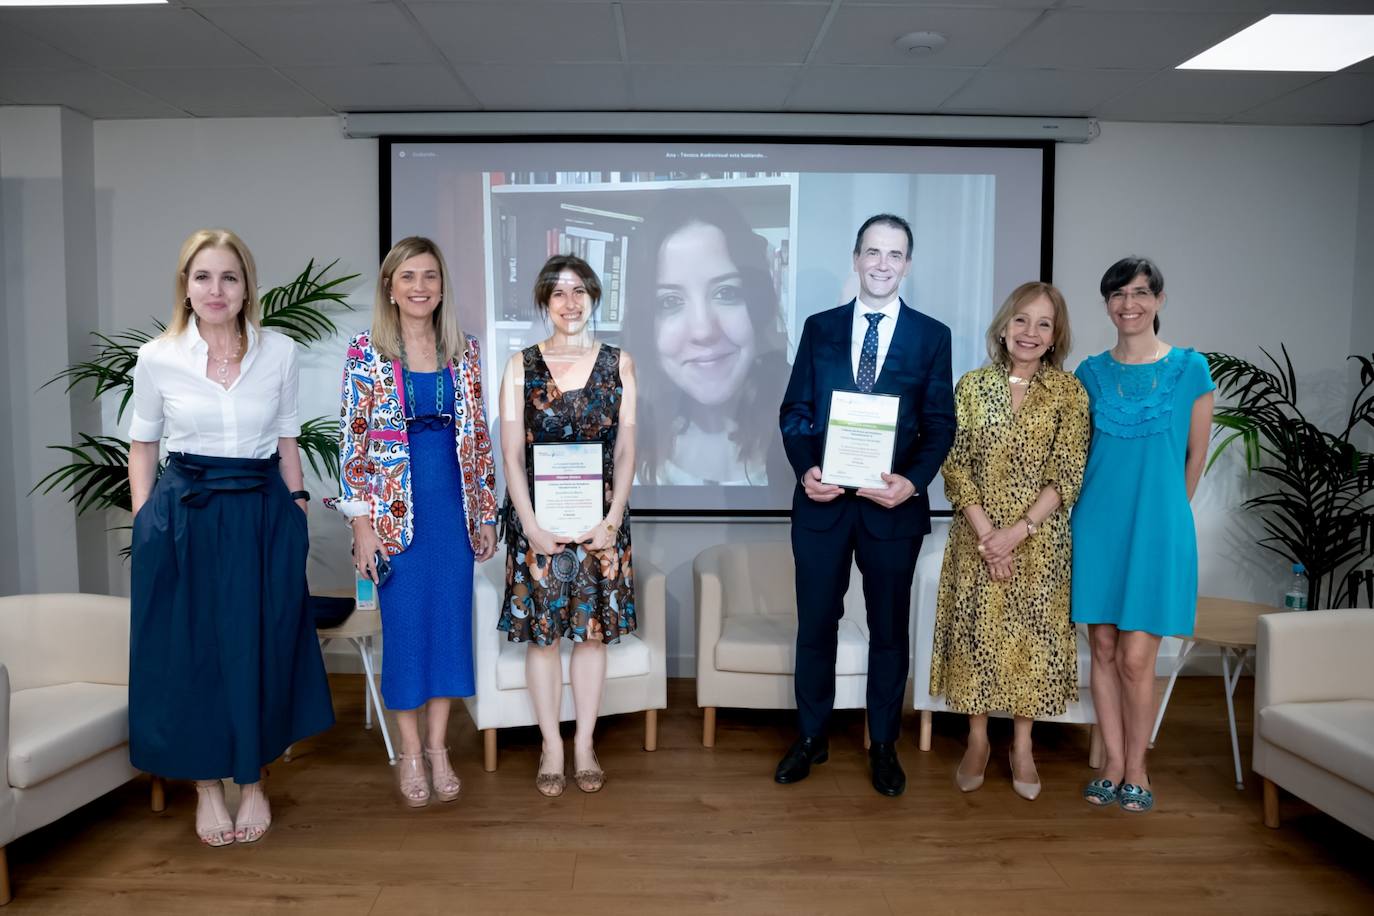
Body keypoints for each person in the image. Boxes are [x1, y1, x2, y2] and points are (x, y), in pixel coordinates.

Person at [127, 228, 334, 847]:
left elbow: (289, 438)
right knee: (192, 652)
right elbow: (143, 444)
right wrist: (145, 523)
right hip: (183, 513)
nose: (215, 290)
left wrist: (296, 510)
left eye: (228, 277)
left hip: (262, 511)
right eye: (202, 277)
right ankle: (208, 786)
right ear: (185, 288)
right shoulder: (157, 356)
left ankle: (254, 782)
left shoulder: (281, 352)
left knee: (260, 645)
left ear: (247, 287)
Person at [777, 214, 956, 796]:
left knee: (887, 630)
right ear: (856, 259)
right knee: (815, 626)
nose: (882, 264)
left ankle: (883, 744)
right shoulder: (819, 327)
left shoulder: (932, 336)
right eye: (872, 253)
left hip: (891, 509)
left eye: (895, 254)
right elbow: (794, 412)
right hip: (823, 504)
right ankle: (811, 737)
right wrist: (806, 467)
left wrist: (911, 481)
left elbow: (939, 425)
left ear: (908, 264)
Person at [330, 236, 499, 807]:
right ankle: (407, 754)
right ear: (390, 287)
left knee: (450, 630)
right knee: (404, 637)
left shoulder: (466, 350)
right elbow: (352, 444)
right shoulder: (365, 351)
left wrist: (486, 513)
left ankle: (439, 749)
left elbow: (478, 441)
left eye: (429, 276)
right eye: (408, 277)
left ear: (442, 285)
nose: (420, 287)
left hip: (453, 512)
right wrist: (360, 527)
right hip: (393, 519)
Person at [928, 282, 1089, 800]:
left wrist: (1017, 535)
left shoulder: (1069, 393)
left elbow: (1068, 473)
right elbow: (955, 467)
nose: (1030, 332)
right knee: (977, 637)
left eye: (1044, 324)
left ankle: (1022, 744)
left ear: (1055, 336)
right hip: (975, 536)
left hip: (1039, 542)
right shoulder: (972, 386)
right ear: (1003, 325)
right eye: (1022, 320)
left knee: (1031, 643)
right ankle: (977, 740)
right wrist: (988, 537)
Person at [1071, 257, 1215, 813]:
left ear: (1158, 300)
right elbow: (1080, 456)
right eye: (1117, 295)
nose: (1128, 304)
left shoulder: (1191, 369)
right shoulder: (1089, 373)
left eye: (1140, 293)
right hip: (1097, 525)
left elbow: (1194, 458)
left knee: (1137, 658)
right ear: (1106, 304)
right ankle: (1110, 764)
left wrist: (1165, 517)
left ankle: (1138, 766)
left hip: (1157, 527)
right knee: (1103, 647)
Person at [497, 254, 637, 797]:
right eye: (558, 292)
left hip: (602, 527)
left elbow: (625, 449)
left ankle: (584, 744)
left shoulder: (620, 363)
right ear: (543, 302)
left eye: (579, 291)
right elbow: (511, 456)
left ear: (594, 297)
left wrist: (614, 517)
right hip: (540, 527)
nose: (570, 302)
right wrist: (529, 526)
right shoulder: (519, 366)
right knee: (543, 640)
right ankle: (551, 745)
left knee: (592, 638)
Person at [624, 192, 789, 487]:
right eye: (670, 301)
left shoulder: (807, 435)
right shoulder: (616, 451)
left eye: (726, 293)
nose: (703, 330)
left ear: (757, 304)